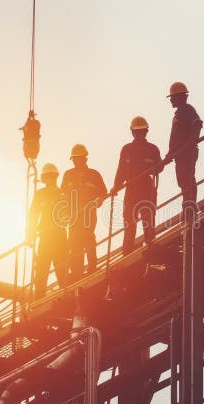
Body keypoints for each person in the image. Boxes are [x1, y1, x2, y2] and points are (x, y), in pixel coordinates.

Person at [112, 116, 163, 254]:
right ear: (133, 132)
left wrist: (151, 165)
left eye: (142, 132)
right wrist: (116, 186)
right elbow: (121, 170)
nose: (140, 134)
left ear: (146, 132)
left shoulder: (152, 149)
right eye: (138, 132)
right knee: (129, 221)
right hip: (132, 190)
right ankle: (127, 251)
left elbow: (159, 167)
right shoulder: (126, 150)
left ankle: (150, 245)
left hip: (146, 188)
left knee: (147, 220)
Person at [61, 144, 107, 278]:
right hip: (73, 216)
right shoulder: (68, 175)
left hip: (88, 214)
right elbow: (61, 195)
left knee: (88, 238)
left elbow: (103, 192)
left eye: (78, 159)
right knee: (74, 242)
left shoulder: (94, 174)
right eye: (74, 159)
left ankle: (92, 267)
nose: (76, 161)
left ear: (85, 158)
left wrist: (99, 200)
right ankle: (77, 272)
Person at [26, 163, 69, 299]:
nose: (50, 179)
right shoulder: (39, 195)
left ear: (55, 177)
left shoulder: (63, 193)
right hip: (45, 237)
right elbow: (33, 215)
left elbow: (69, 213)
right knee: (41, 270)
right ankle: (38, 299)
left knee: (61, 267)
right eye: (47, 177)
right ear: (44, 179)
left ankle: (66, 294)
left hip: (59, 236)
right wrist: (30, 235)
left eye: (52, 176)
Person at [163, 81, 203, 217]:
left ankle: (190, 208)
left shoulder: (187, 109)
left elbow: (197, 124)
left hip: (187, 153)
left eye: (172, 97)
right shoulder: (179, 114)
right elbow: (175, 140)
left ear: (179, 97)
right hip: (180, 155)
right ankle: (187, 207)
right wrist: (168, 156)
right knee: (183, 181)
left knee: (187, 180)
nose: (171, 101)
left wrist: (191, 143)